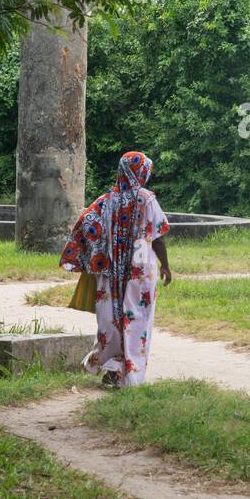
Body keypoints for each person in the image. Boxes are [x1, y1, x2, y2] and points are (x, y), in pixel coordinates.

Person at [60, 151, 171, 388]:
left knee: (111, 320)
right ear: (140, 172)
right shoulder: (146, 199)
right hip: (138, 270)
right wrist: (166, 267)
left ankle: (111, 367)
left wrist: (94, 251)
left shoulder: (106, 200)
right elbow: (158, 237)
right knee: (136, 320)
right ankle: (126, 373)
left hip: (109, 272)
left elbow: (85, 222)